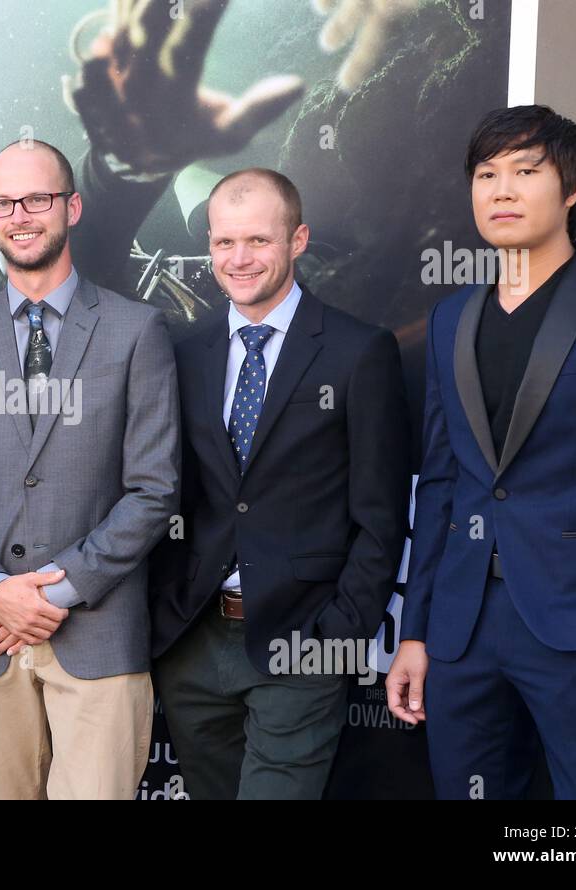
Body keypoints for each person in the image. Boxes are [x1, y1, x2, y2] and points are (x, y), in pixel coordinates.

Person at [387, 105, 576, 799]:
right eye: (486, 175)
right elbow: (442, 482)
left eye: (525, 171)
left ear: (572, 188)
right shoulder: (451, 318)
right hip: (461, 631)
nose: (502, 191)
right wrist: (416, 631)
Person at [0, 140, 179, 799]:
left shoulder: (137, 331)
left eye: (37, 199)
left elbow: (154, 491)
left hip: (98, 633)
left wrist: (53, 593)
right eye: (4, 203)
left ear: (73, 207)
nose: (20, 216)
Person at [151, 168, 410, 799]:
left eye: (258, 240)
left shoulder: (359, 351)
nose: (239, 259)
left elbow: (381, 516)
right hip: (193, 645)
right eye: (224, 242)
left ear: (298, 240)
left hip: (304, 643)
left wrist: (339, 635)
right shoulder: (183, 352)